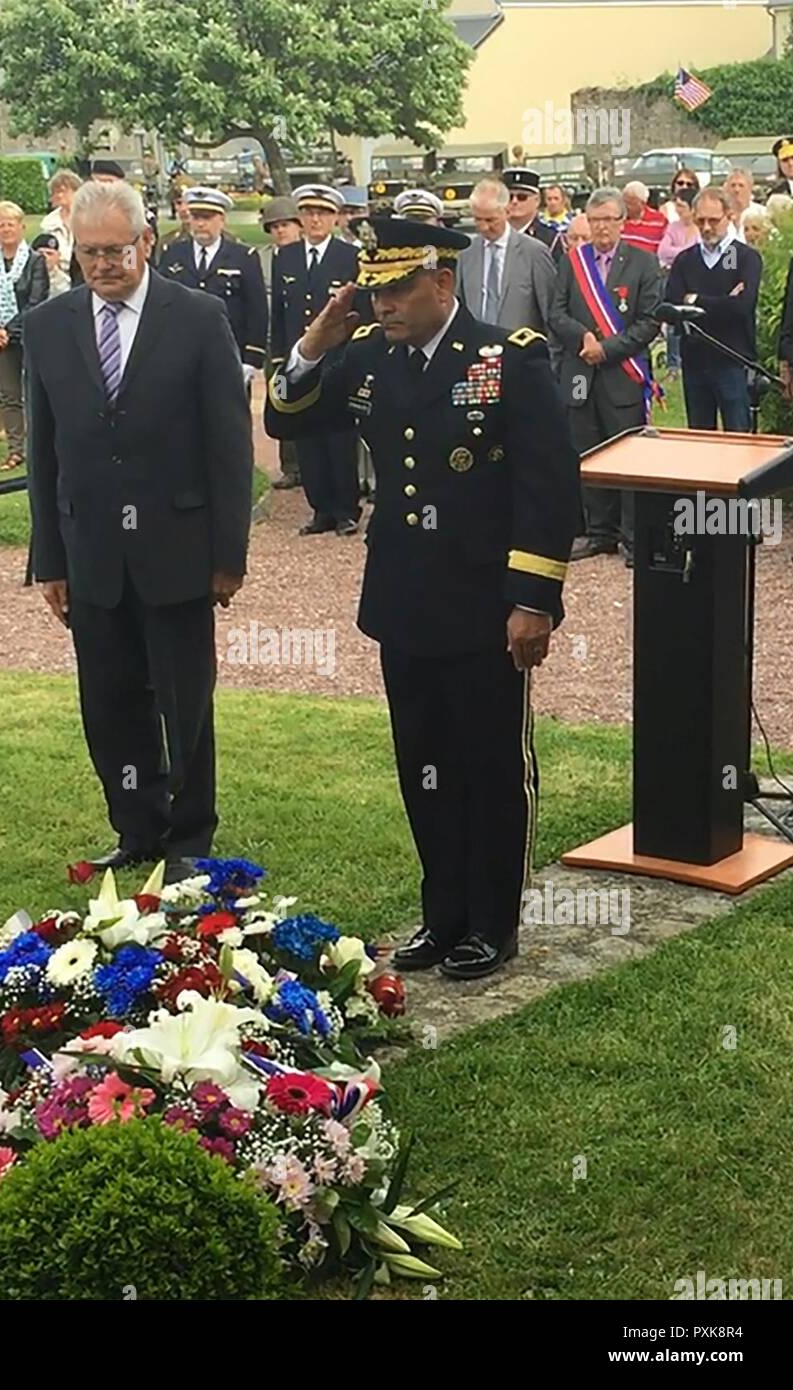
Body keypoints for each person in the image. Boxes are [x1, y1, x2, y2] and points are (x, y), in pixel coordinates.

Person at [265, 217, 580, 980]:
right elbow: (286, 416)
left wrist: (532, 599)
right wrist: (314, 342)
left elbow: (548, 486)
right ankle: (441, 915)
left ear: (442, 283)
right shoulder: (370, 359)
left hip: (482, 603)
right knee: (425, 764)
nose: (384, 305)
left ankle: (490, 922)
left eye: (399, 289)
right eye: (373, 291)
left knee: (487, 765)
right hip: (404, 599)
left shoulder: (506, 359)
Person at [24, 179, 253, 885]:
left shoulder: (198, 318)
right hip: (91, 549)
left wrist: (227, 555)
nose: (102, 266)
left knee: (183, 698)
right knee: (110, 699)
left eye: (115, 251)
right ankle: (136, 824)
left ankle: (190, 836)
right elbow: (45, 450)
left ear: (145, 244)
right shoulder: (49, 325)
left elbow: (228, 443)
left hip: (177, 548)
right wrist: (48, 559)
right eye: (88, 253)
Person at [550, 186, 660, 565]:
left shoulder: (643, 263)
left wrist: (607, 349)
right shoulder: (573, 261)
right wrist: (580, 337)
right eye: (594, 220)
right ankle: (600, 532)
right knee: (588, 453)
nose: (601, 228)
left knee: (626, 456)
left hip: (620, 373)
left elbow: (649, 322)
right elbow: (556, 312)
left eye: (608, 220)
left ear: (622, 222)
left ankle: (632, 536)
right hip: (580, 370)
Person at [270, 184, 364, 534]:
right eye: (309, 213)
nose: (315, 219)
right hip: (300, 360)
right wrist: (280, 358)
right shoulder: (286, 256)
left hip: (337, 360)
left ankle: (345, 509)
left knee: (339, 436)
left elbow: (360, 312)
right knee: (306, 433)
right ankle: (320, 507)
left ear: (336, 218)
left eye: (322, 213)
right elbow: (279, 314)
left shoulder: (349, 256)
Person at [665, 186, 761, 433]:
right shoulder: (685, 260)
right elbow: (672, 308)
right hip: (695, 362)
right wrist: (722, 302)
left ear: (729, 216)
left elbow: (742, 307)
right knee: (700, 439)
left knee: (737, 437)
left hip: (732, 360)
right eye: (700, 220)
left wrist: (694, 299)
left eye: (713, 220)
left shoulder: (743, 257)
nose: (706, 227)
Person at [158, 186, 267, 389]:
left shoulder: (243, 257)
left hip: (229, 353)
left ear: (222, 219)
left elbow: (257, 310)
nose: (200, 224)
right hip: (182, 355)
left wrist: (251, 359)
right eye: (196, 216)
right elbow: (162, 304)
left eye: (207, 218)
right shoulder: (172, 253)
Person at [0, 201, 49, 470]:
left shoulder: (35, 261)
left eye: (10, 223)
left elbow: (37, 299)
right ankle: (16, 450)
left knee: (36, 394)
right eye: (0, 224)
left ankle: (41, 449)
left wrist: (10, 329)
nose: (6, 229)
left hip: (29, 336)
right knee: (10, 395)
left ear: (21, 226)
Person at [459, 178, 556, 336]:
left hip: (521, 352)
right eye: (477, 219)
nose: (483, 227)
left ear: (507, 212)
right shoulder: (466, 253)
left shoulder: (534, 253)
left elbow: (550, 313)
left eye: (490, 220)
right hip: (476, 349)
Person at [261, 196, 303, 491]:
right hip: (274, 345)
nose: (280, 231)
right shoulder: (260, 258)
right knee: (281, 402)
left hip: (306, 340)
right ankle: (291, 466)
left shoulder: (308, 255)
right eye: (274, 227)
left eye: (285, 224)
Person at [657, 187, 699, 374]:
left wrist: (678, 252)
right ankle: (673, 364)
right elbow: (662, 252)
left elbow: (697, 252)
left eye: (682, 206)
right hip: (674, 277)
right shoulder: (673, 227)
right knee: (673, 318)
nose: (679, 210)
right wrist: (684, 251)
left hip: (696, 279)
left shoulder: (700, 227)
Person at [502, 167, 558, 255]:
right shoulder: (494, 235)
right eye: (510, 197)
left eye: (522, 197)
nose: (514, 201)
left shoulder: (551, 239)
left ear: (537, 200)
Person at [40, 169, 82, 265]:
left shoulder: (88, 218)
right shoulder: (48, 222)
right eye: (55, 192)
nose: (59, 195)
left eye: (63, 191)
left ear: (76, 191)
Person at [620, 180, 668, 255]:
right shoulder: (617, 219)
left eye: (630, 203)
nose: (626, 206)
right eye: (624, 202)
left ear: (642, 204)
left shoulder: (659, 221)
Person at [724, 168, 766, 243]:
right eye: (733, 185)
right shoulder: (720, 216)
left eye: (741, 185)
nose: (737, 190)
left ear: (750, 188)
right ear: (726, 189)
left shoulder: (762, 213)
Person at [31, 231, 72, 296]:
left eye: (49, 254)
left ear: (58, 256)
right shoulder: (27, 278)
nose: (45, 257)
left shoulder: (66, 281)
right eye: (40, 253)